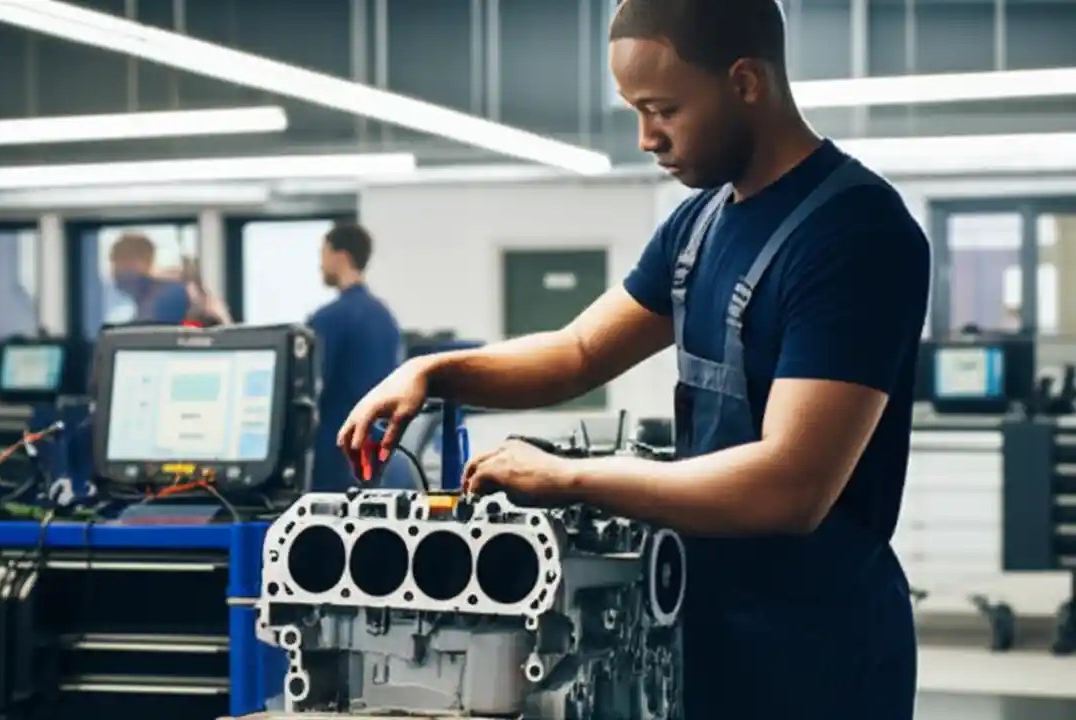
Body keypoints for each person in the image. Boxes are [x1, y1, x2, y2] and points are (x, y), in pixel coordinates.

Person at [337, 1, 930, 719]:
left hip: (818, 655)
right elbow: (578, 352)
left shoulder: (854, 235)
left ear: (745, 81)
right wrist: (434, 372)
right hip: (706, 625)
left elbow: (791, 485)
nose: (647, 137)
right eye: (635, 111)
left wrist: (571, 478)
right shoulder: (700, 223)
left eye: (663, 109)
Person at [308, 223, 404, 492]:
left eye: (323, 254)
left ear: (340, 256)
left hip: (335, 456)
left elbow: (308, 389)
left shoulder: (329, 319)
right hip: (377, 452)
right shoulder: (385, 317)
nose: (320, 265)